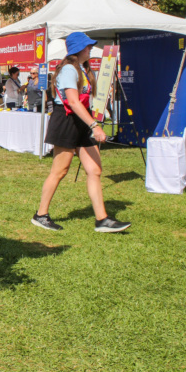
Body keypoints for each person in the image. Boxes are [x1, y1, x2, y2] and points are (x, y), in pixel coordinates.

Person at [33, 32, 131, 233]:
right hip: (67, 120)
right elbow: (73, 102)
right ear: (78, 49)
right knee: (60, 170)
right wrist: (94, 125)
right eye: (87, 46)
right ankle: (41, 215)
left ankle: (102, 219)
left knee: (94, 169)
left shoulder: (83, 70)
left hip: (81, 120)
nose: (90, 49)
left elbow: (83, 102)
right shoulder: (69, 69)